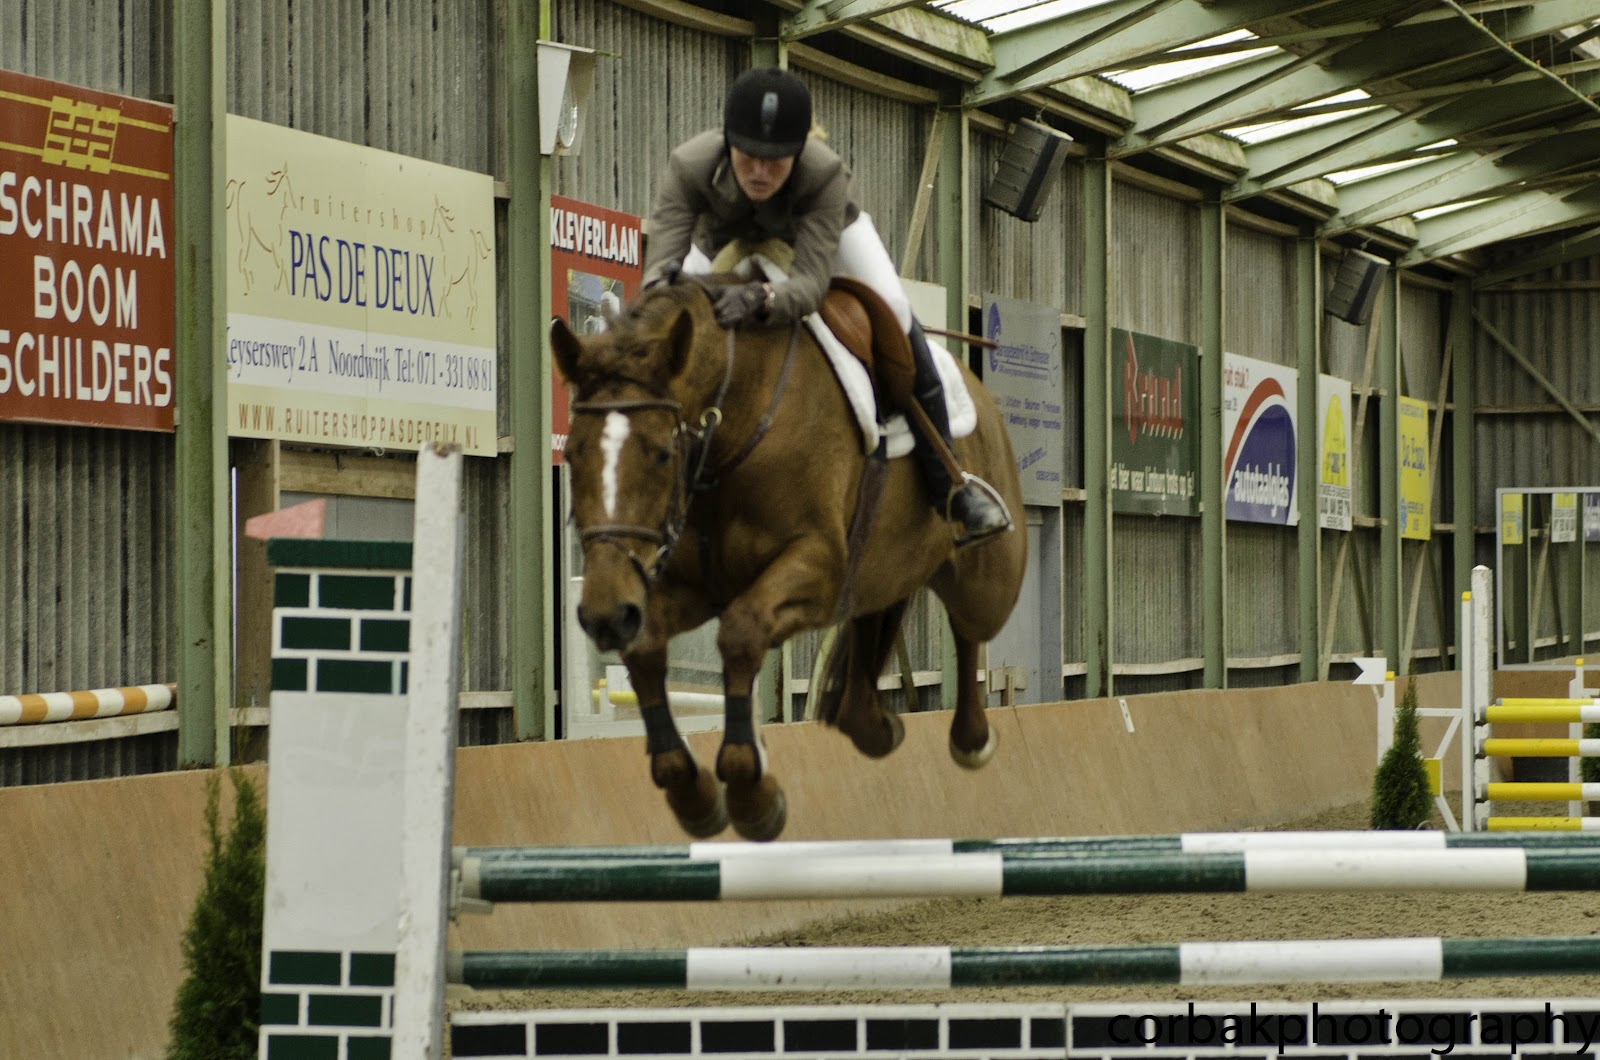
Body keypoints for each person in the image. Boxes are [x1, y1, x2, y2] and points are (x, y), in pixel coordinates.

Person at [641, 66, 1012, 548]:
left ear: (798, 154)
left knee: (897, 310)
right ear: (726, 141)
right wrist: (661, 299)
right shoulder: (689, 165)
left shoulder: (824, 174)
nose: (758, 171)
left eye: (776, 161)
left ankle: (951, 487)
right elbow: (660, 269)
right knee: (661, 319)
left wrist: (760, 298)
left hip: (826, 238)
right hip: (725, 242)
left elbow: (811, 285)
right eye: (748, 156)